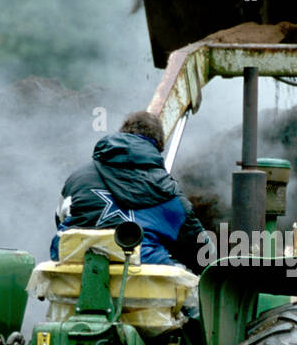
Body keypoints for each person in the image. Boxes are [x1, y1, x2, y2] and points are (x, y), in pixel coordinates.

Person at [51, 111, 206, 270]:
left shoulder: (77, 178)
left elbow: (60, 219)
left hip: (73, 274)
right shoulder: (168, 193)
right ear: (158, 147)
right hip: (144, 284)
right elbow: (202, 254)